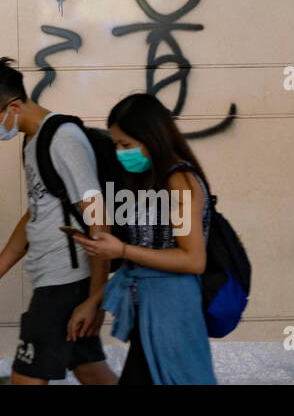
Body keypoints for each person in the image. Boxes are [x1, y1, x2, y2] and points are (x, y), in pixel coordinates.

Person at [0, 57, 117, 385]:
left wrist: (95, 297)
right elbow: (37, 213)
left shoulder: (62, 137)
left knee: (26, 379)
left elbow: (97, 216)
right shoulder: (32, 140)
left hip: (66, 283)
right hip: (57, 280)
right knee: (92, 372)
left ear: (14, 105)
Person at [72, 93, 217, 384]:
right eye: (116, 145)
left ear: (152, 137)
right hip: (151, 314)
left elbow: (193, 259)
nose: (120, 152)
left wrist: (122, 249)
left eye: (126, 144)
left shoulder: (179, 181)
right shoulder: (153, 181)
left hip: (171, 315)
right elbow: (145, 261)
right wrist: (94, 301)